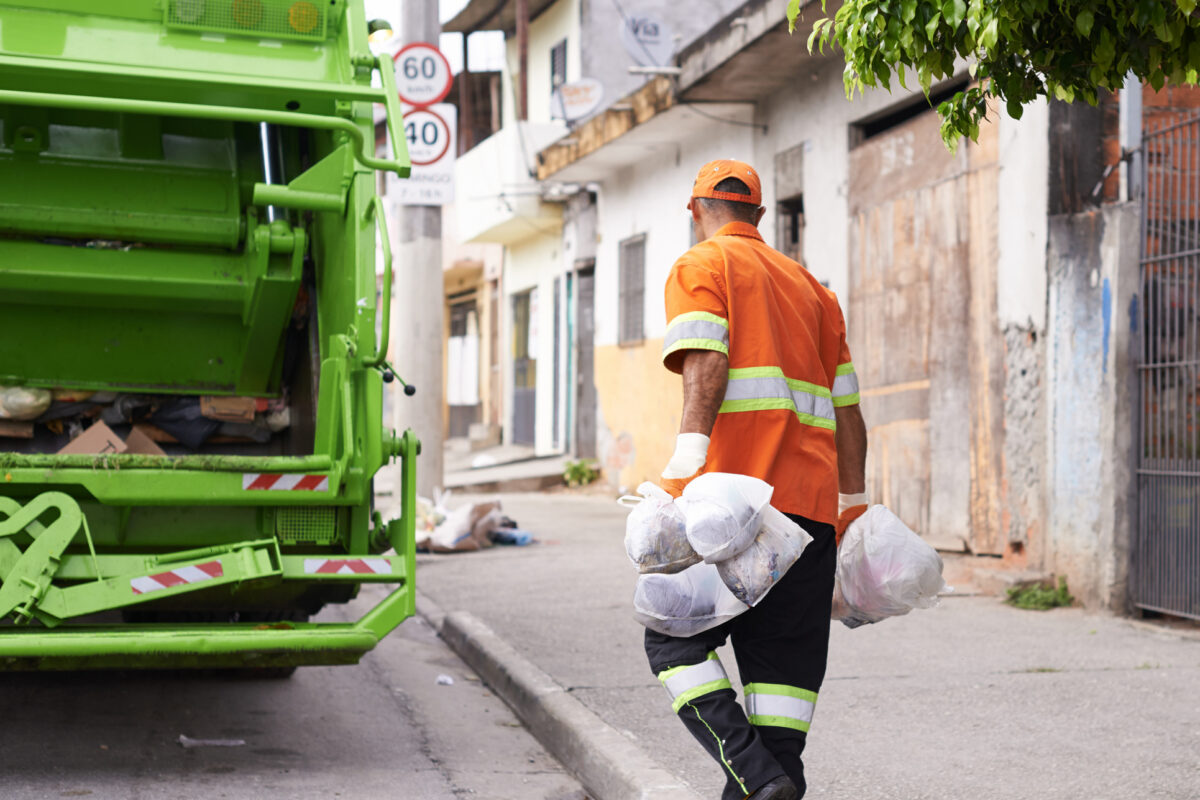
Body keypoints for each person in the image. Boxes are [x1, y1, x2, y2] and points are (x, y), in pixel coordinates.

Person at [645, 159, 869, 800]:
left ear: (696, 211)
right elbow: (849, 413)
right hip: (810, 518)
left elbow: (705, 365)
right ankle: (768, 777)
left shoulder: (702, 266)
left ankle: (757, 773)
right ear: (761, 215)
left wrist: (683, 469)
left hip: (729, 509)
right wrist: (851, 508)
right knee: (783, 692)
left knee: (671, 642)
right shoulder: (815, 292)